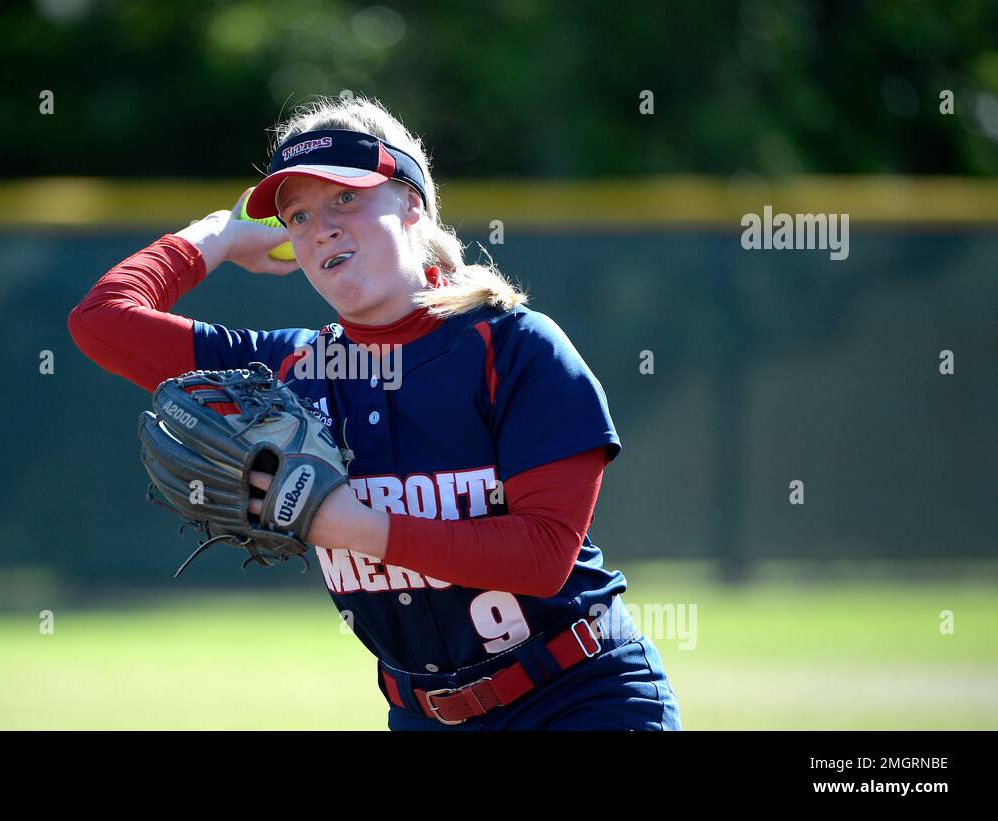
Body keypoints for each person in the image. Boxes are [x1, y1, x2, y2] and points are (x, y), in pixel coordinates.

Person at [68, 95, 681, 730]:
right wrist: (217, 234)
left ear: (412, 202)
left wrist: (342, 523)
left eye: (345, 199)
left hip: (579, 696)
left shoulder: (514, 346)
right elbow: (100, 322)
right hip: (422, 715)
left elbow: (541, 556)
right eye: (297, 215)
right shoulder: (285, 375)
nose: (321, 228)